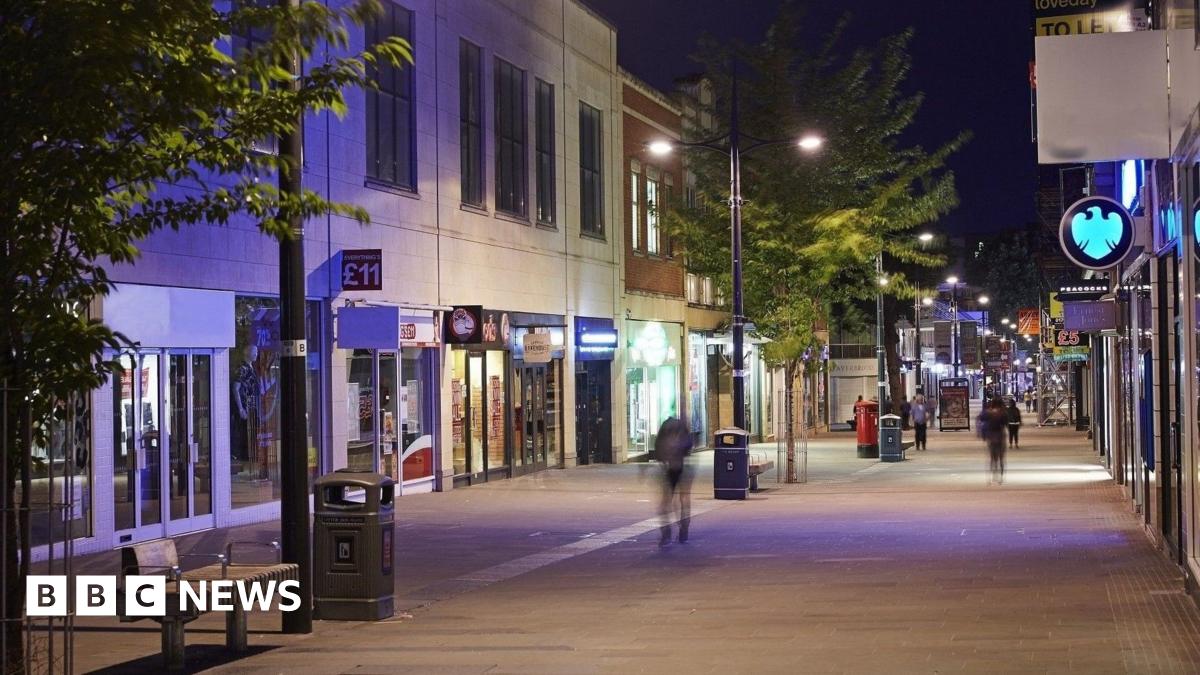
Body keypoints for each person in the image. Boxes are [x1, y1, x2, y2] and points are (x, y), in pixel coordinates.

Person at [655, 415, 693, 545]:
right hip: (682, 467)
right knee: (684, 499)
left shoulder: (665, 429)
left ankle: (666, 533)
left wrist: (663, 461)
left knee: (665, 502)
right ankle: (684, 528)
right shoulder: (682, 428)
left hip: (670, 468)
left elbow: (658, 448)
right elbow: (689, 445)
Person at [978, 398, 1007, 484]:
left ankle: (991, 477)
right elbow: (1005, 423)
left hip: (991, 436)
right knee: (1001, 458)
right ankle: (1000, 478)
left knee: (992, 458)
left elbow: (981, 419)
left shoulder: (987, 413)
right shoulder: (1002, 413)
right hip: (1000, 436)